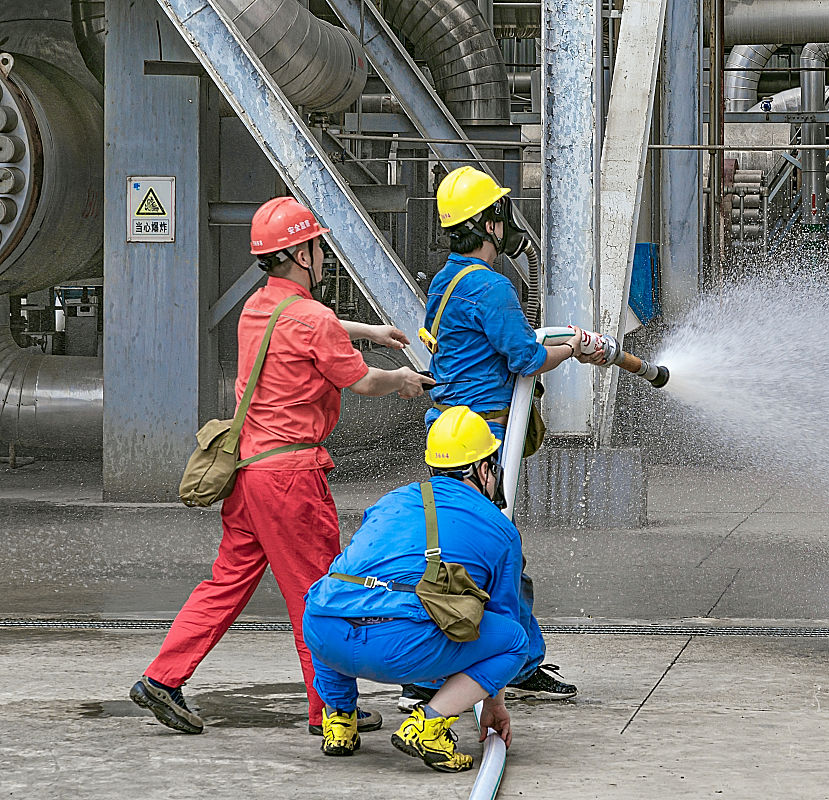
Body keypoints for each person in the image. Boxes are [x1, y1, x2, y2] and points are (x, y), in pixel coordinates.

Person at [129, 197, 435, 737]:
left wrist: (367, 330)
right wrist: (405, 380)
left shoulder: (256, 308)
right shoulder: (313, 319)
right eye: (317, 246)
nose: (323, 255)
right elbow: (361, 380)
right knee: (319, 595)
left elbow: (303, 322)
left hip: (247, 472)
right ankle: (331, 710)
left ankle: (162, 678)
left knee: (225, 583)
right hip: (291, 480)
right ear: (299, 253)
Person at [398, 166, 601, 709]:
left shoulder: (447, 280)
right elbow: (528, 357)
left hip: (448, 430)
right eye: (501, 213)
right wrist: (577, 349)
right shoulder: (491, 287)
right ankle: (479, 667)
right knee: (490, 552)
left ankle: (488, 661)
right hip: (484, 437)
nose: (509, 222)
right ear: (489, 223)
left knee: (466, 548)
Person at [302, 406, 527, 771]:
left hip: (324, 634)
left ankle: (340, 722)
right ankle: (428, 726)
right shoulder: (500, 530)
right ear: (484, 468)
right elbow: (500, 620)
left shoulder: (390, 501)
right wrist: (492, 702)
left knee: (335, 597)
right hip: (400, 649)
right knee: (515, 639)